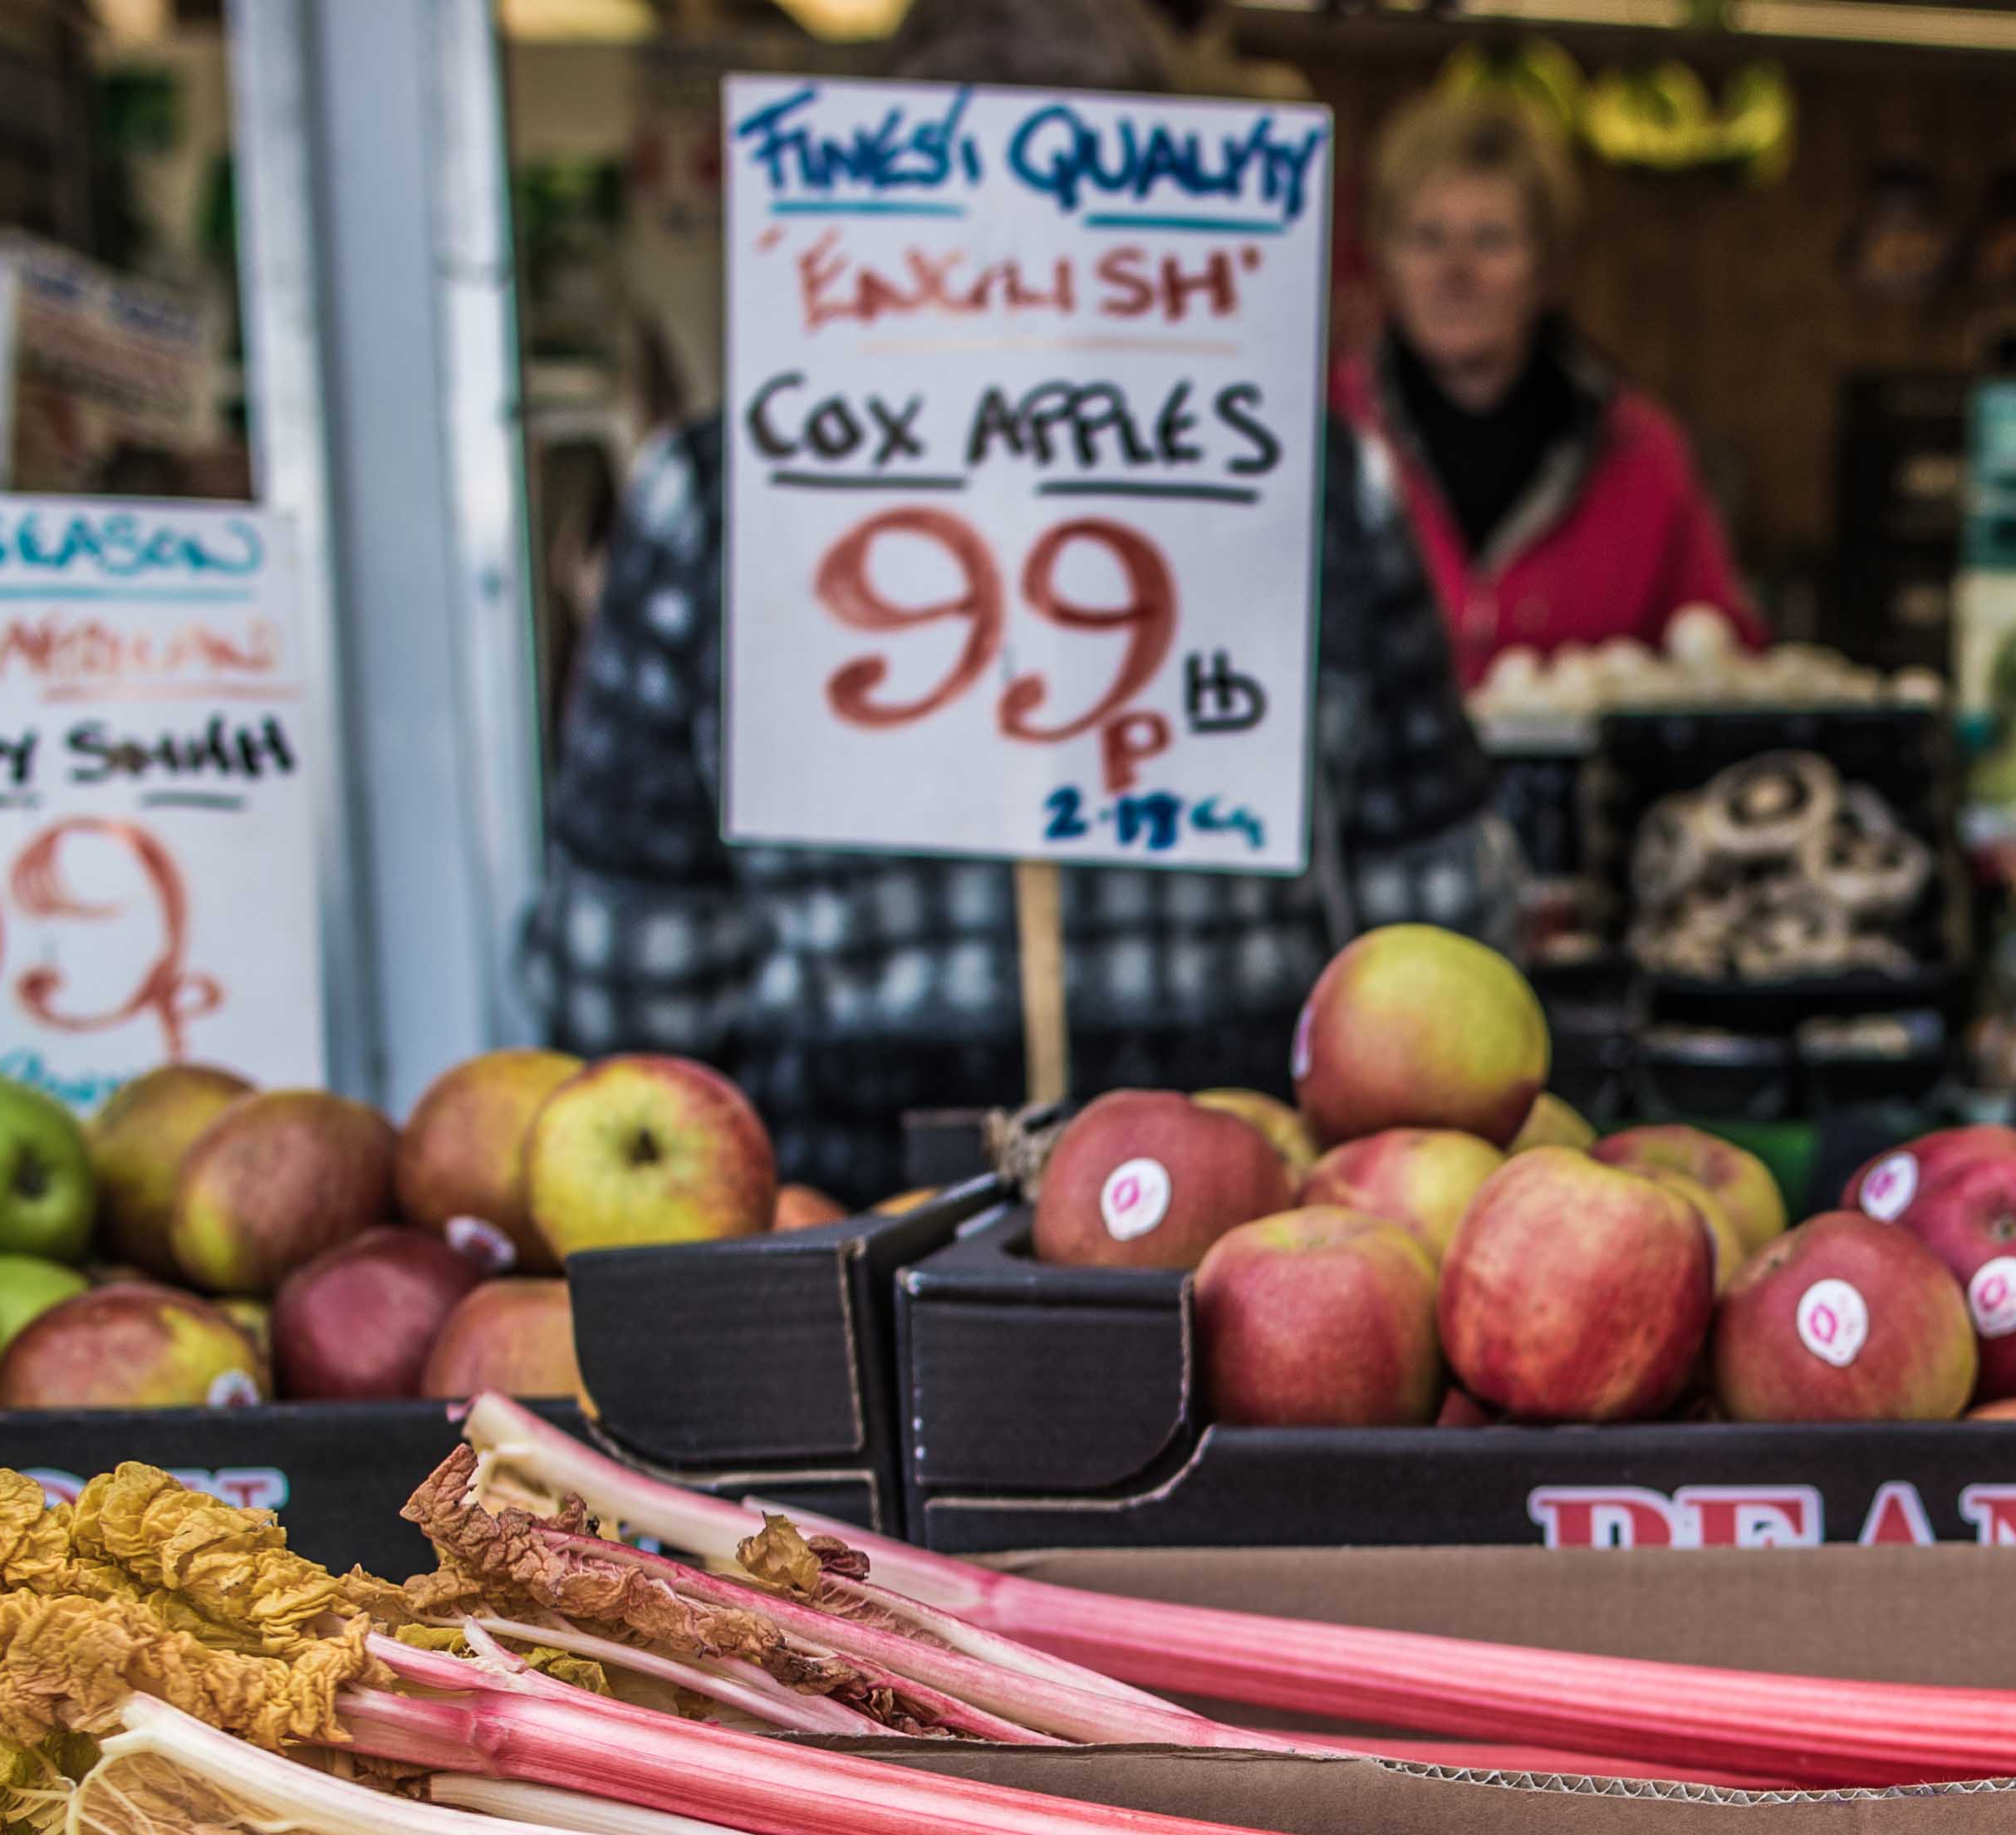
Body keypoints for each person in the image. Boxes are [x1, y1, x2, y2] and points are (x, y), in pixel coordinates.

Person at [523, 0, 1515, 1189]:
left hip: (838, 1246)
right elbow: (1451, 931)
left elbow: (619, 984)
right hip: (1237, 1235)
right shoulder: (1318, 478)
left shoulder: (711, 497)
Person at [1334, 87, 1763, 680]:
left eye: (1491, 240)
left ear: (1547, 266)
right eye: (1426, 238)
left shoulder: (1641, 453)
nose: (1455, 273)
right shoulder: (1323, 435)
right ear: (1384, 258)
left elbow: (1726, 662)